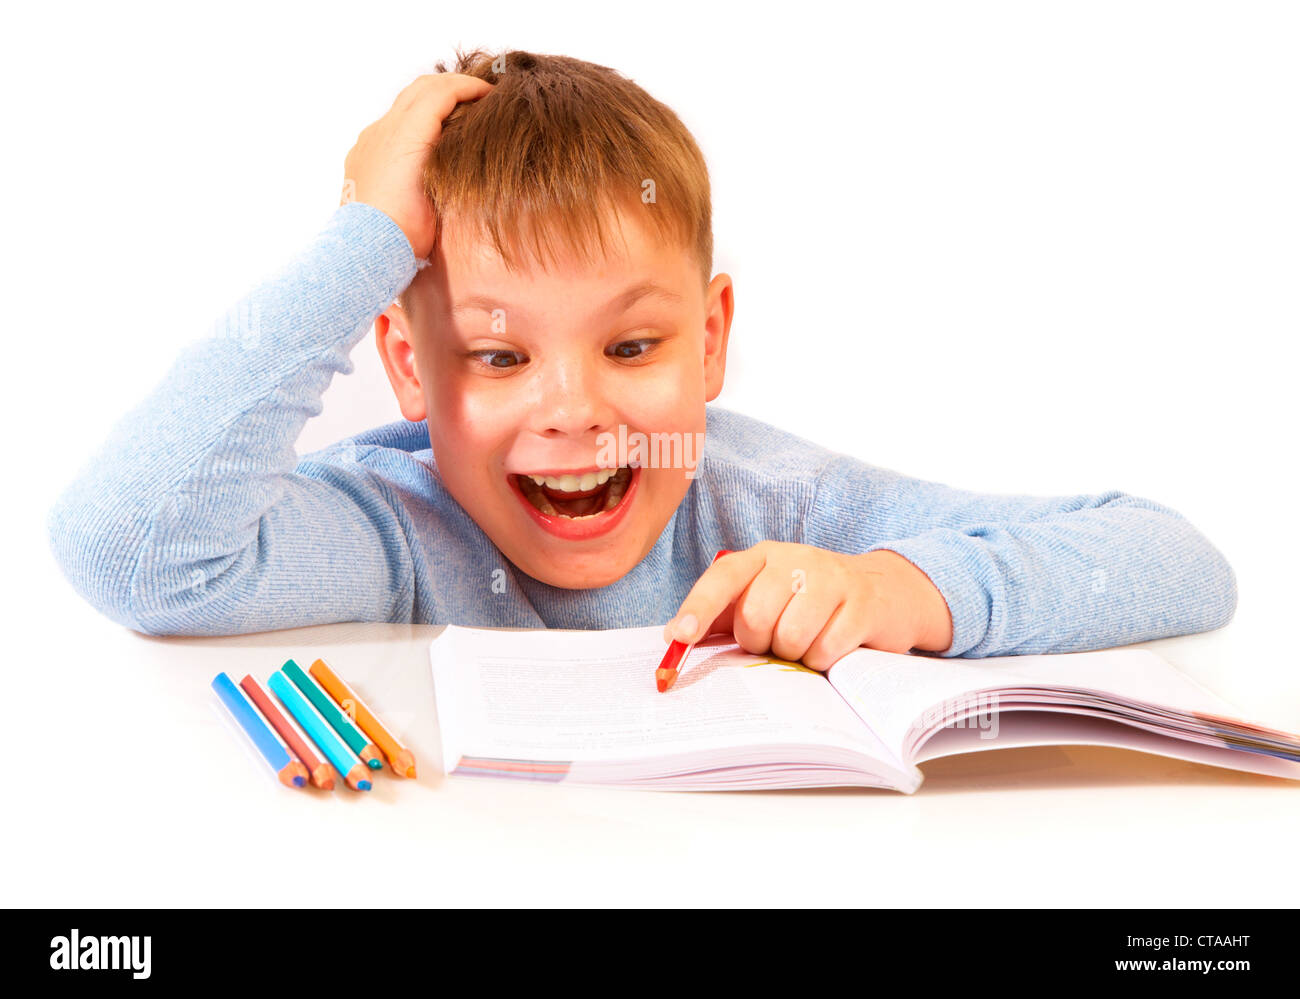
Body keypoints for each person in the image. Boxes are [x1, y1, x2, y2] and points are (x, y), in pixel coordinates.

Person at [46, 49, 1236, 668]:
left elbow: (1174, 561)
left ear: (709, 339)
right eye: (499, 356)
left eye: (630, 344)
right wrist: (362, 244)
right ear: (409, 371)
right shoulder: (397, 530)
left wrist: (893, 592)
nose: (576, 411)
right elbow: (130, 549)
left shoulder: (768, 503)